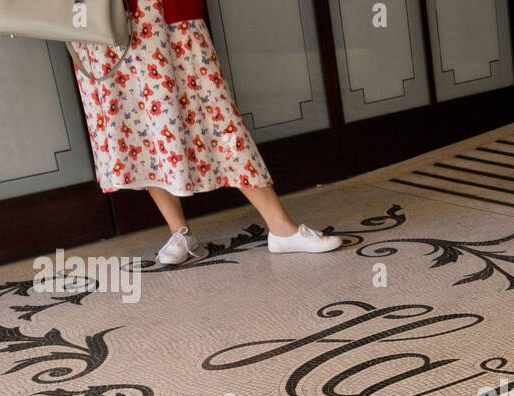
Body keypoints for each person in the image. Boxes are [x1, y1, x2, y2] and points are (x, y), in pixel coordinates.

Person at [72, 0, 339, 264]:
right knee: (141, 130)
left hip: (171, 18)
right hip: (102, 23)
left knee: (218, 117)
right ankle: (179, 231)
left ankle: (281, 227)